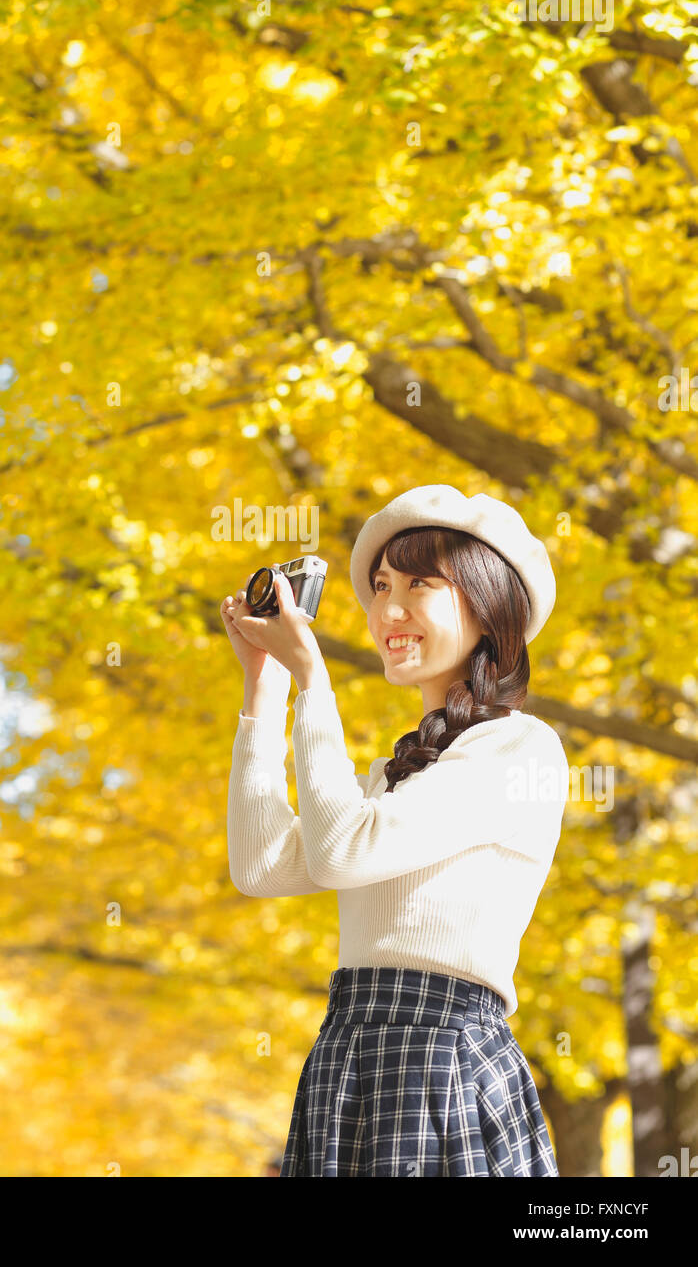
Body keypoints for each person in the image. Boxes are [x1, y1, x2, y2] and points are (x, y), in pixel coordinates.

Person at [220, 484, 569, 1177]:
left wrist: (315, 681)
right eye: (380, 587)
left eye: (419, 584)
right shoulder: (399, 771)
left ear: (487, 605)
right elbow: (262, 866)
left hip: (440, 1060)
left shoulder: (518, 750)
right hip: (351, 1050)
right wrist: (264, 688)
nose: (388, 610)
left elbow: (346, 850)